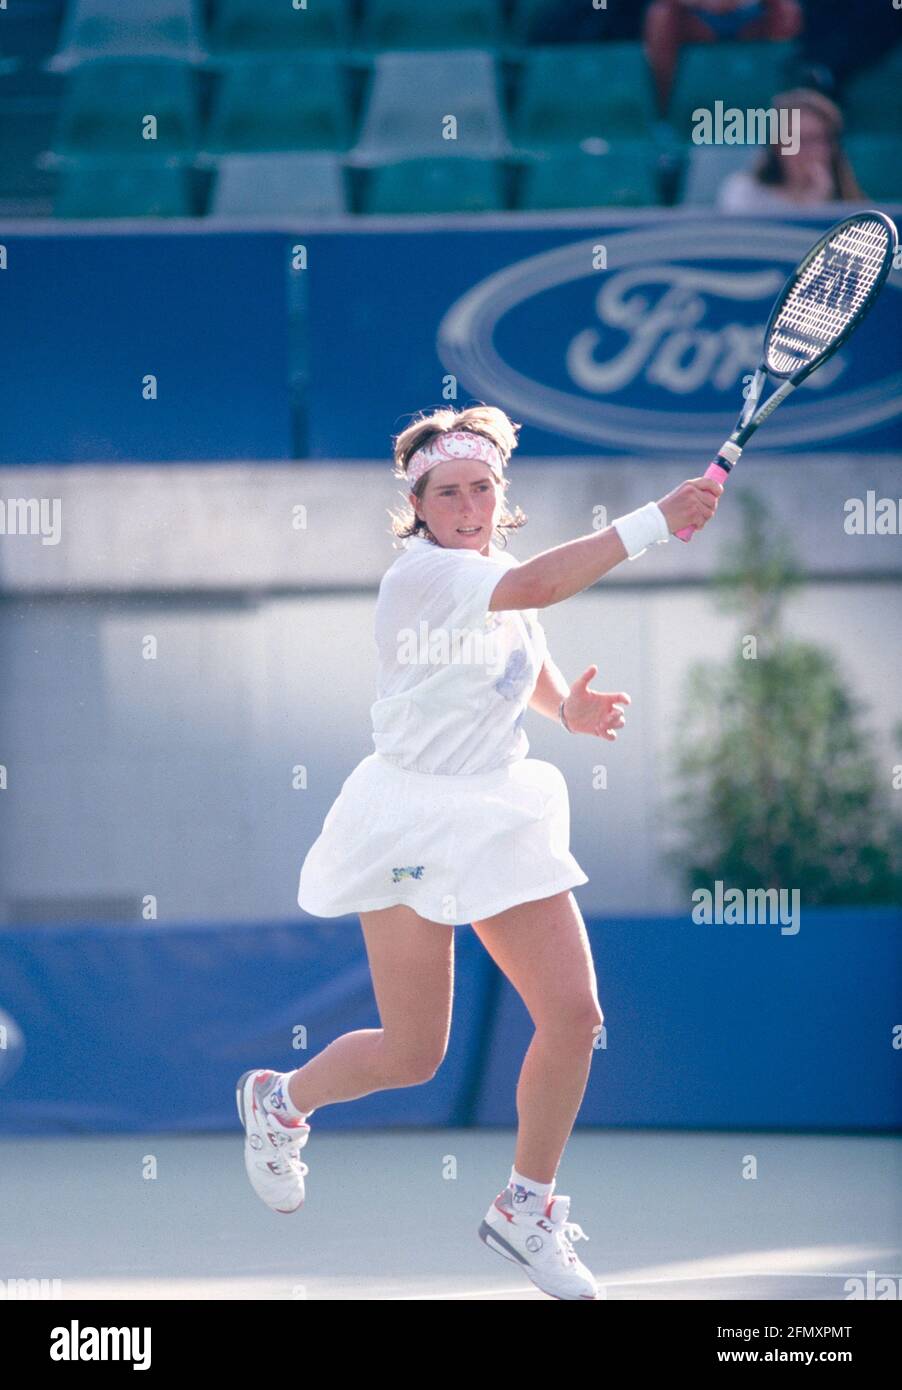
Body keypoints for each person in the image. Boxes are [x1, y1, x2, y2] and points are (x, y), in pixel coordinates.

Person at [236, 405, 722, 1301]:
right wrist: (657, 519)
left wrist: (565, 709)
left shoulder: (493, 572)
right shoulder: (423, 576)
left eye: (482, 489)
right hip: (409, 820)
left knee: (574, 1015)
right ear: (418, 507)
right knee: (412, 1054)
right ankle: (280, 1102)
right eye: (449, 493)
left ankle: (525, 1208)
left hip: (499, 811)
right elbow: (538, 587)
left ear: (502, 495)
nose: (468, 506)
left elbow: (517, 651)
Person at [644, 0, 803, 114]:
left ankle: (787, 108)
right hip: (698, 18)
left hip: (752, 17)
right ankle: (664, 112)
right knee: (661, 15)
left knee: (787, 10)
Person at [716, 87, 862, 211]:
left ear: (832, 147)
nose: (805, 150)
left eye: (815, 139)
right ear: (777, 146)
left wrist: (823, 200)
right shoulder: (743, 192)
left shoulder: (852, 207)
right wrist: (811, 204)